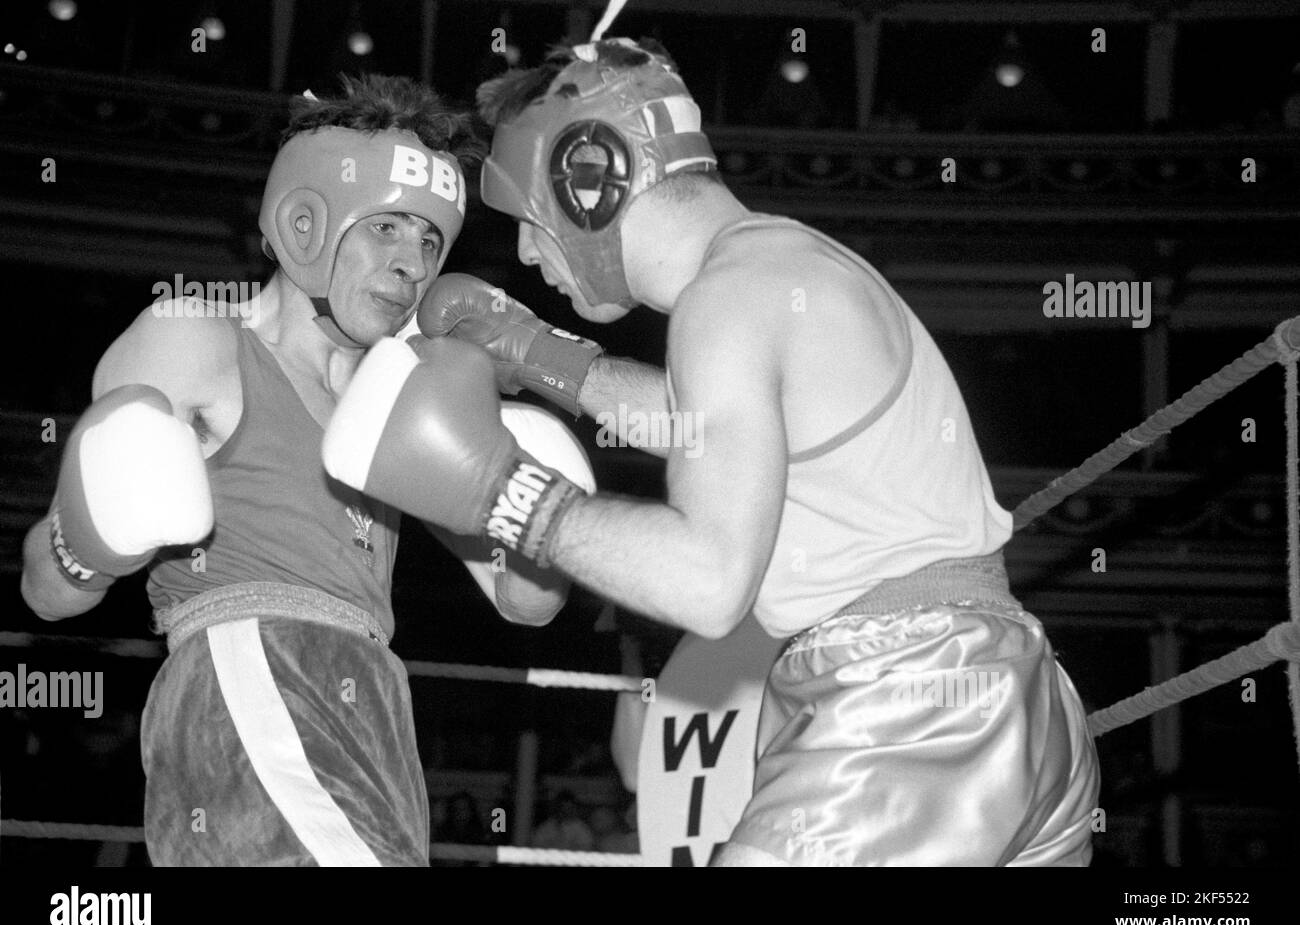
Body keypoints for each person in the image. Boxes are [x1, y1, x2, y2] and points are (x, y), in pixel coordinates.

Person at [322, 39, 1099, 866]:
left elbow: (708, 582)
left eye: (523, 221)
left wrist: (502, 495)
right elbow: (710, 427)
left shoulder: (729, 299)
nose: (521, 254)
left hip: (909, 698)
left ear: (592, 181)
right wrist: (535, 351)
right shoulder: (779, 269)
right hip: (1010, 703)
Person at [19, 74, 590, 866]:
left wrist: (540, 508)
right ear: (306, 221)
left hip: (377, 710)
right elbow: (43, 591)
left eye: (430, 242)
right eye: (388, 228)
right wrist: (89, 536)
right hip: (249, 679)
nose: (412, 266)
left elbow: (524, 603)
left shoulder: (401, 401)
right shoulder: (199, 340)